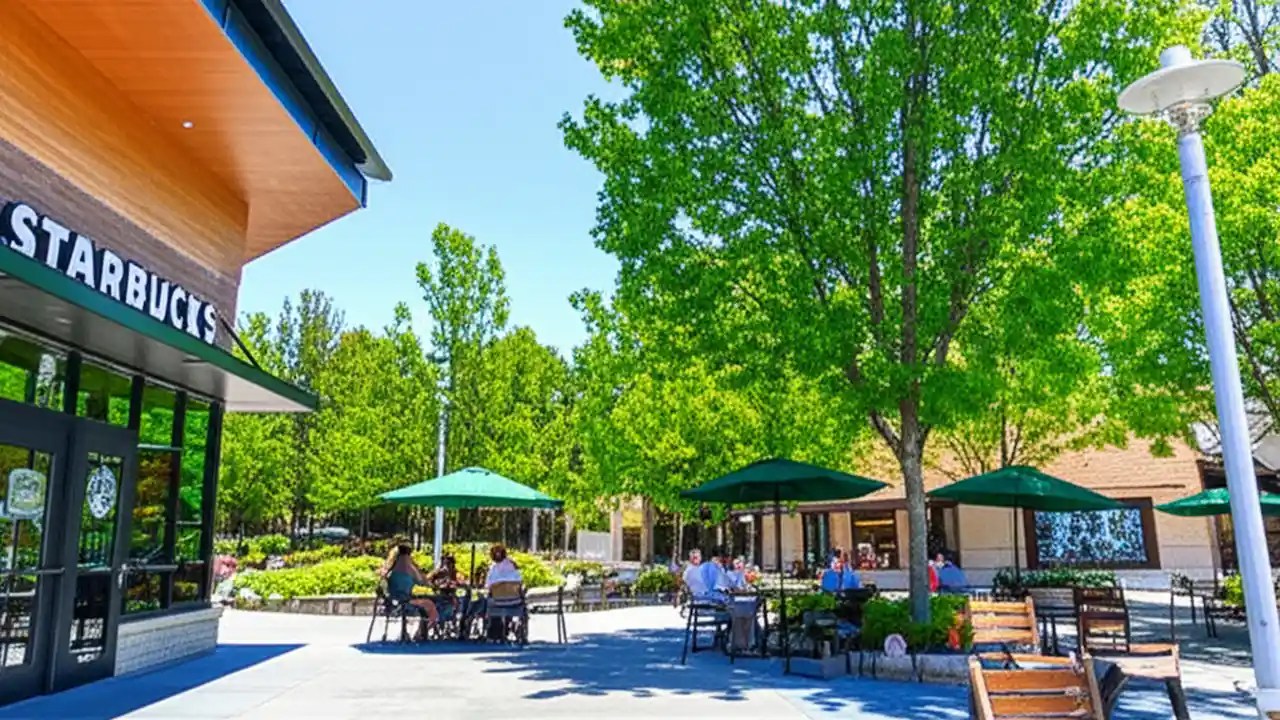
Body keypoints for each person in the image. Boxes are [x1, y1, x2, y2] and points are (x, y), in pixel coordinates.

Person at [378, 543, 438, 641]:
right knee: (430, 605)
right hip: (405, 601)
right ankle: (420, 633)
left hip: (392, 601)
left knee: (425, 603)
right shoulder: (409, 567)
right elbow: (423, 582)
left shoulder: (392, 567)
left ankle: (418, 632)